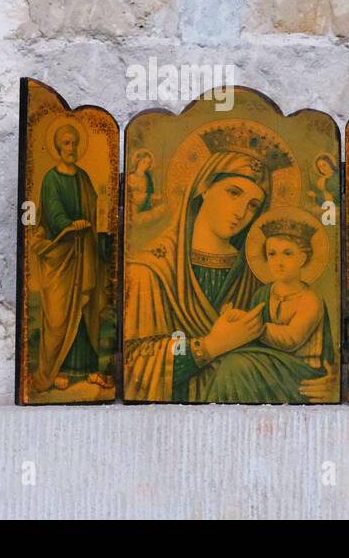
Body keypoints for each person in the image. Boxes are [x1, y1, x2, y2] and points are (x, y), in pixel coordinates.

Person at [122, 124, 336, 403]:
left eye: (253, 205)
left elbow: (302, 349)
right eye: (234, 192)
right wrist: (209, 347)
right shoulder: (149, 271)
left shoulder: (259, 273)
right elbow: (130, 369)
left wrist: (330, 383)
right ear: (204, 185)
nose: (241, 213)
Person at [31, 122, 112, 392]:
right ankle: (58, 370)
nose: (71, 148)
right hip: (62, 253)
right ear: (56, 147)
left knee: (85, 308)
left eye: (74, 143)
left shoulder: (84, 178)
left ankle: (87, 368)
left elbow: (95, 210)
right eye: (66, 143)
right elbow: (52, 211)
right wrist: (67, 223)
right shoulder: (51, 179)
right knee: (59, 313)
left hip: (84, 252)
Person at [252, 217, 331, 371]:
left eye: (287, 253)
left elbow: (291, 339)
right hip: (268, 363)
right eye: (272, 254)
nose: (278, 262)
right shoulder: (262, 294)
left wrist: (254, 326)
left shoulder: (311, 300)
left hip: (301, 370)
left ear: (302, 259)